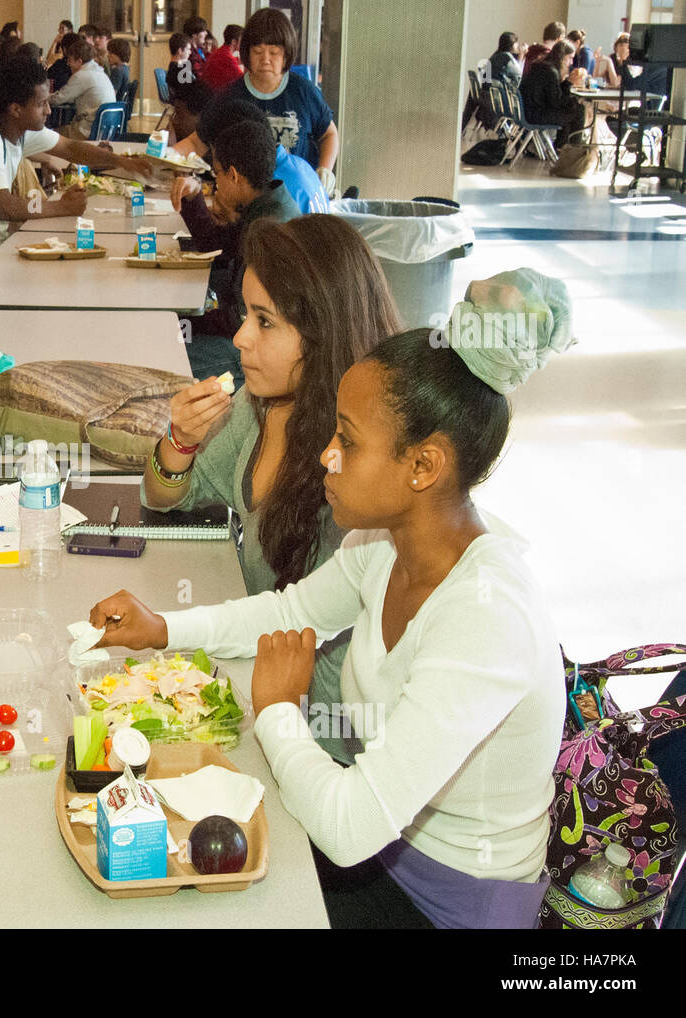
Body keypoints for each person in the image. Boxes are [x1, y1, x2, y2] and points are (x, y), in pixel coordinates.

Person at [93, 268, 575, 928]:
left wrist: (277, 710)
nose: (326, 455)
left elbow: (348, 828)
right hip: (381, 853)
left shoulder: (486, 618)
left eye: (347, 439)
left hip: (447, 905)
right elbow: (289, 614)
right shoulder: (385, 543)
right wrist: (163, 628)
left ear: (423, 465)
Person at [139, 214, 401, 762]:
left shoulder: (358, 466)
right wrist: (180, 442)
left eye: (265, 322)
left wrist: (269, 723)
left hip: (323, 735)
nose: (239, 338)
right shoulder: (261, 409)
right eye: (245, 315)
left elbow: (321, 648)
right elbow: (165, 498)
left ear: (325, 332)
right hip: (261, 670)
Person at [0, 56, 151, 258]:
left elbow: (70, 148)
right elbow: (5, 207)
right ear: (15, 109)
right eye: (41, 104)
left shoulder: (19, 130)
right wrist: (60, 207)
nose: (48, 111)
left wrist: (121, 162)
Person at [169, 114, 303, 381]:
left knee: (163, 355)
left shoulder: (269, 230)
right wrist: (194, 196)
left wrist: (188, 323)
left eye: (215, 175)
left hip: (260, 349)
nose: (215, 184)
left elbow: (240, 318)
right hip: (253, 332)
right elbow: (216, 244)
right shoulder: (268, 203)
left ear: (233, 175)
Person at [182, 9, 339, 194]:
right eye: (258, 52)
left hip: (296, 196)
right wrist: (159, 160)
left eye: (274, 52)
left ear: (286, 55)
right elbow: (195, 143)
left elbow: (329, 134)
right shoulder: (230, 97)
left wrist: (325, 170)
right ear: (246, 54)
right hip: (245, 203)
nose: (265, 60)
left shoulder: (303, 92)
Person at [175, 79, 328, 216]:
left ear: (234, 172)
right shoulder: (296, 165)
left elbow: (233, 240)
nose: (216, 185)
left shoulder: (271, 191)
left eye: (217, 173)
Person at [48, 35, 115, 139]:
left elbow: (58, 99)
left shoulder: (81, 75)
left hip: (86, 131)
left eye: (70, 60)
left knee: (49, 135)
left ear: (79, 61)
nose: (68, 64)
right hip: (103, 130)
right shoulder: (99, 72)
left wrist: (42, 98)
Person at [521, 39, 585, 147]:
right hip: (537, 115)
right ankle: (572, 149)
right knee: (578, 110)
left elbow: (553, 94)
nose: (571, 62)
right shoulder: (551, 71)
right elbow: (556, 102)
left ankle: (562, 145)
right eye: (570, 58)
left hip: (529, 111)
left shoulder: (540, 65)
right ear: (562, 57)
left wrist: (567, 82)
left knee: (572, 108)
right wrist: (569, 85)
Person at [202, 24, 244, 92]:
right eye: (242, 40)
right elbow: (243, 81)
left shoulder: (221, 52)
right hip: (214, 97)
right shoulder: (227, 57)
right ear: (233, 42)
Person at [165, 31, 193, 97]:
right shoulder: (180, 70)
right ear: (180, 51)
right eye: (188, 49)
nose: (190, 52)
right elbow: (189, 93)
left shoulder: (173, 68)